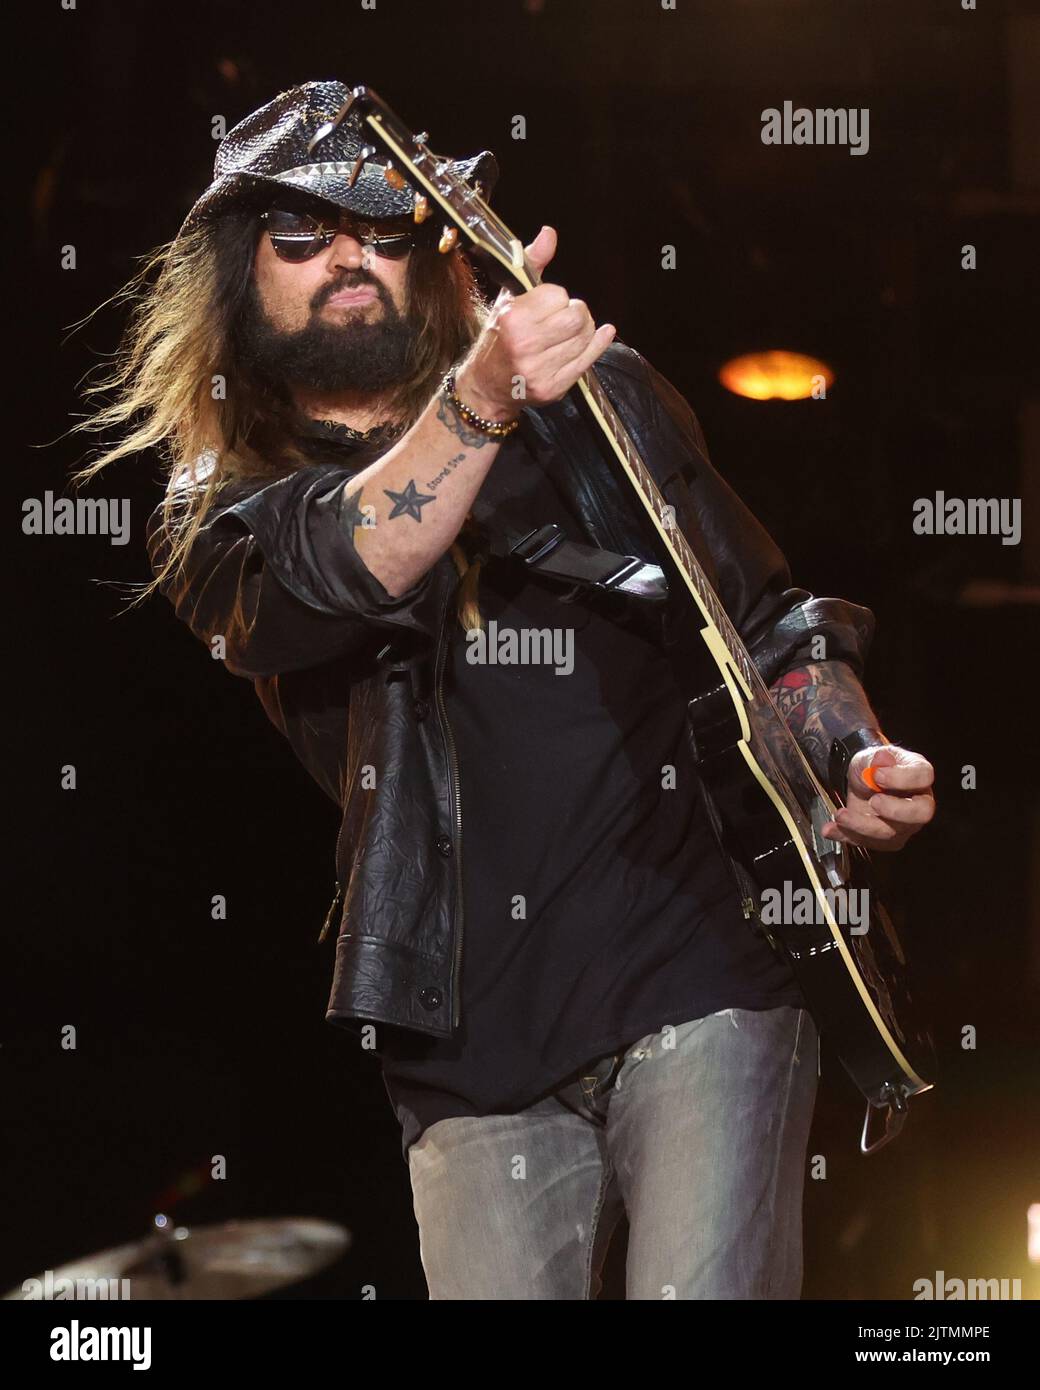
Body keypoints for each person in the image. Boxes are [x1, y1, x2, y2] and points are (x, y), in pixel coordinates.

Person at [71, 80, 936, 1299]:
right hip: (464, 1048)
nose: (351, 258)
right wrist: (479, 399)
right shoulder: (214, 509)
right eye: (305, 235)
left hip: (696, 970)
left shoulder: (598, 397)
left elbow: (765, 620)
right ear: (234, 269)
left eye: (386, 225)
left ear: (436, 251)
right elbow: (351, 563)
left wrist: (845, 753)